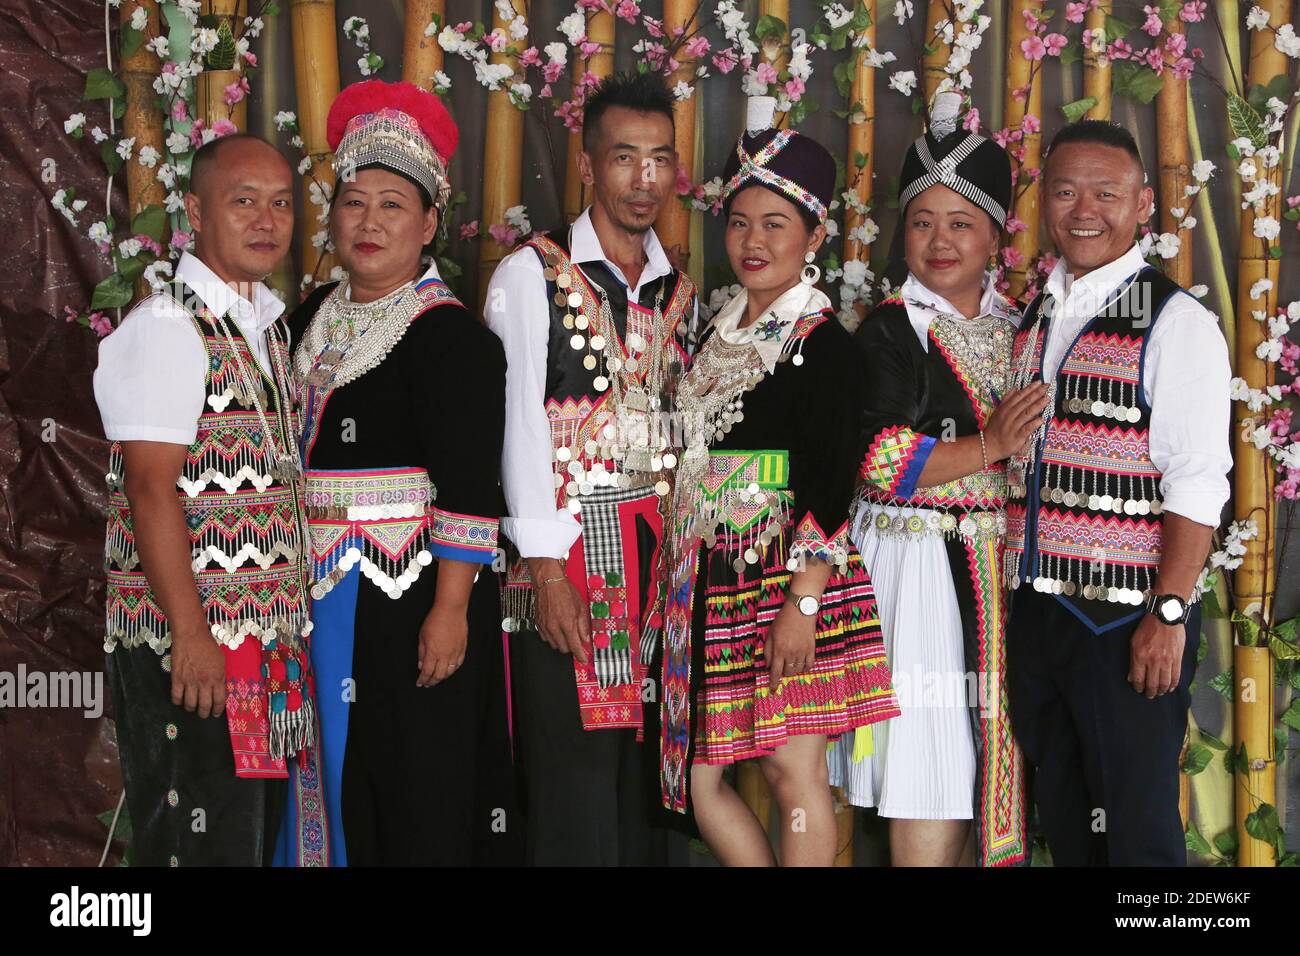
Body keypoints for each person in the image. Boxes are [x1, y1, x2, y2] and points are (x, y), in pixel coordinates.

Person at [272, 79, 514, 866]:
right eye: (352, 201)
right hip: (308, 596)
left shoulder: (453, 339)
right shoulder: (306, 319)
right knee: (322, 775)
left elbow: (472, 489)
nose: (368, 222)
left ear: (430, 222)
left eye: (392, 204)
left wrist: (451, 609)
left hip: (406, 598)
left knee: (409, 783)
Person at [659, 96, 900, 867]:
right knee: (698, 780)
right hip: (710, 575)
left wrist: (803, 601)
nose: (752, 241)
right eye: (738, 222)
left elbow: (834, 482)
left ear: (814, 235)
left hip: (788, 578)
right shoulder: (716, 329)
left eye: (775, 224)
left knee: (792, 772)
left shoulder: (822, 344)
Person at [1003, 119, 1231, 866]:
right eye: (1065, 191)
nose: (1083, 210)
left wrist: (1167, 612)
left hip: (1125, 622)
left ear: (1141, 207)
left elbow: (1197, 480)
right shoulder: (1035, 315)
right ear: (1045, 204)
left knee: (1135, 835)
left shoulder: (1177, 321)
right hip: (1036, 616)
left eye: (1106, 192)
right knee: (1068, 825)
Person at [485, 71, 698, 866]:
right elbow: (514, 433)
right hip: (570, 558)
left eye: (659, 160)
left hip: (659, 565)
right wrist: (544, 571)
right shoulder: (528, 275)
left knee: (644, 783)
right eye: (623, 158)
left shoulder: (680, 290)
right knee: (573, 777)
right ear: (586, 165)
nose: (643, 181)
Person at [826, 92, 1043, 867]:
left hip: (1003, 575)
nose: (940, 240)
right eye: (922, 222)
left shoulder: (1023, 326)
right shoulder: (890, 329)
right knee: (932, 773)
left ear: (995, 237)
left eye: (961, 223)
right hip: (920, 575)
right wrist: (989, 445)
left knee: (985, 765)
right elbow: (881, 461)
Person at [94, 132, 314, 866]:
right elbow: (149, 493)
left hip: (262, 643)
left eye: (281, 203)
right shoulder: (167, 328)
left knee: (242, 838)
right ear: (194, 210)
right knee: (191, 840)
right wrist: (191, 636)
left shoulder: (264, 327)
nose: (266, 220)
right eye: (243, 201)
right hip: (190, 646)